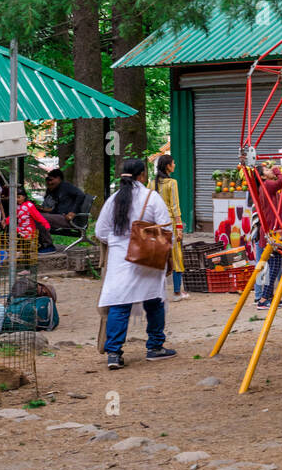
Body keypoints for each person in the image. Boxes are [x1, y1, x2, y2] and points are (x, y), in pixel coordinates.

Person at [95, 158, 176, 370]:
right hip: (147, 258)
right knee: (154, 301)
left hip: (120, 261)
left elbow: (100, 232)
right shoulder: (151, 197)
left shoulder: (113, 200)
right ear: (142, 175)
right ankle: (155, 347)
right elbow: (167, 231)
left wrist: (119, 242)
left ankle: (114, 353)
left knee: (120, 304)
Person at [254, 164, 282, 308]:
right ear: (262, 176)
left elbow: (273, 209)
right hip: (273, 232)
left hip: (273, 230)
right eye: (267, 170)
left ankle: (267, 296)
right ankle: (263, 299)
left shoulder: (267, 187)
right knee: (274, 266)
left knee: (273, 265)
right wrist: (277, 171)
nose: (271, 171)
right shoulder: (267, 184)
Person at [155, 154, 188, 301]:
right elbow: (175, 206)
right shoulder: (171, 183)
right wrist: (179, 227)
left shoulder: (151, 183)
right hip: (169, 223)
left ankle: (158, 292)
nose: (174, 165)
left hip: (156, 223)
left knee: (159, 256)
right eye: (173, 163)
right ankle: (176, 292)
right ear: (168, 166)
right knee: (176, 256)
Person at [38, 168, 90, 250]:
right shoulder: (56, 190)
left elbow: (81, 195)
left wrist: (73, 212)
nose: (49, 182)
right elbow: (56, 209)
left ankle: (48, 246)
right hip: (59, 216)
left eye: (51, 180)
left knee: (39, 218)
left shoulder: (65, 186)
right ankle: (39, 244)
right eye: (47, 180)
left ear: (58, 178)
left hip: (69, 219)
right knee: (35, 216)